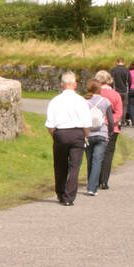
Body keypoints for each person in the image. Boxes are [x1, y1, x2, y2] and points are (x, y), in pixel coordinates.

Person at [44, 71, 92, 206]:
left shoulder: (55, 101)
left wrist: (55, 135)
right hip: (77, 133)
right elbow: (87, 123)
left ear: (62, 85)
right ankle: (69, 196)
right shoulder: (81, 101)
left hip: (61, 133)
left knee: (60, 165)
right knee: (75, 166)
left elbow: (50, 124)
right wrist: (85, 135)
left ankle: (60, 193)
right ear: (75, 85)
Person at [93, 69, 123, 189]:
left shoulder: (96, 94)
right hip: (112, 129)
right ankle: (104, 181)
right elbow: (119, 112)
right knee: (108, 155)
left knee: (95, 155)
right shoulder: (116, 95)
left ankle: (95, 179)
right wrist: (109, 122)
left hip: (95, 128)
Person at [83, 80, 112, 196]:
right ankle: (92, 187)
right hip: (101, 134)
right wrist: (109, 134)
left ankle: (90, 184)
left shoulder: (84, 101)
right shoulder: (105, 101)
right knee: (97, 161)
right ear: (99, 89)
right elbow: (110, 120)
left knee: (90, 161)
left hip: (88, 134)